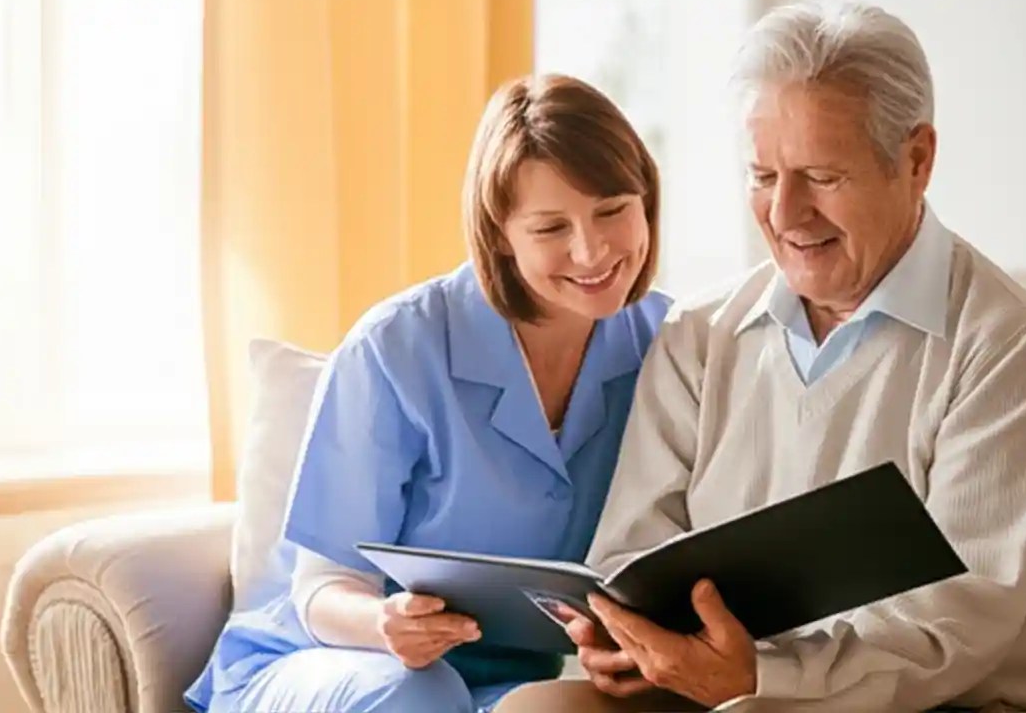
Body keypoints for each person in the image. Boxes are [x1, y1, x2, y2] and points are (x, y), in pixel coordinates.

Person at [494, 0, 1026, 713]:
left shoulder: (1012, 345)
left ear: (917, 159)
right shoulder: (700, 333)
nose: (785, 213)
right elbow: (631, 550)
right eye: (764, 177)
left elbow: (957, 624)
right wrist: (624, 636)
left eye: (822, 177)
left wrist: (762, 682)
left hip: (936, 704)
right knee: (538, 707)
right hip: (707, 694)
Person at [184, 73, 672, 713]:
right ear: (500, 234)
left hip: (513, 680)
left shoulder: (665, 342)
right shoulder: (396, 347)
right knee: (420, 691)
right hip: (328, 660)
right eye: (551, 228)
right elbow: (321, 590)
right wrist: (386, 622)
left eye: (612, 210)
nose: (591, 250)